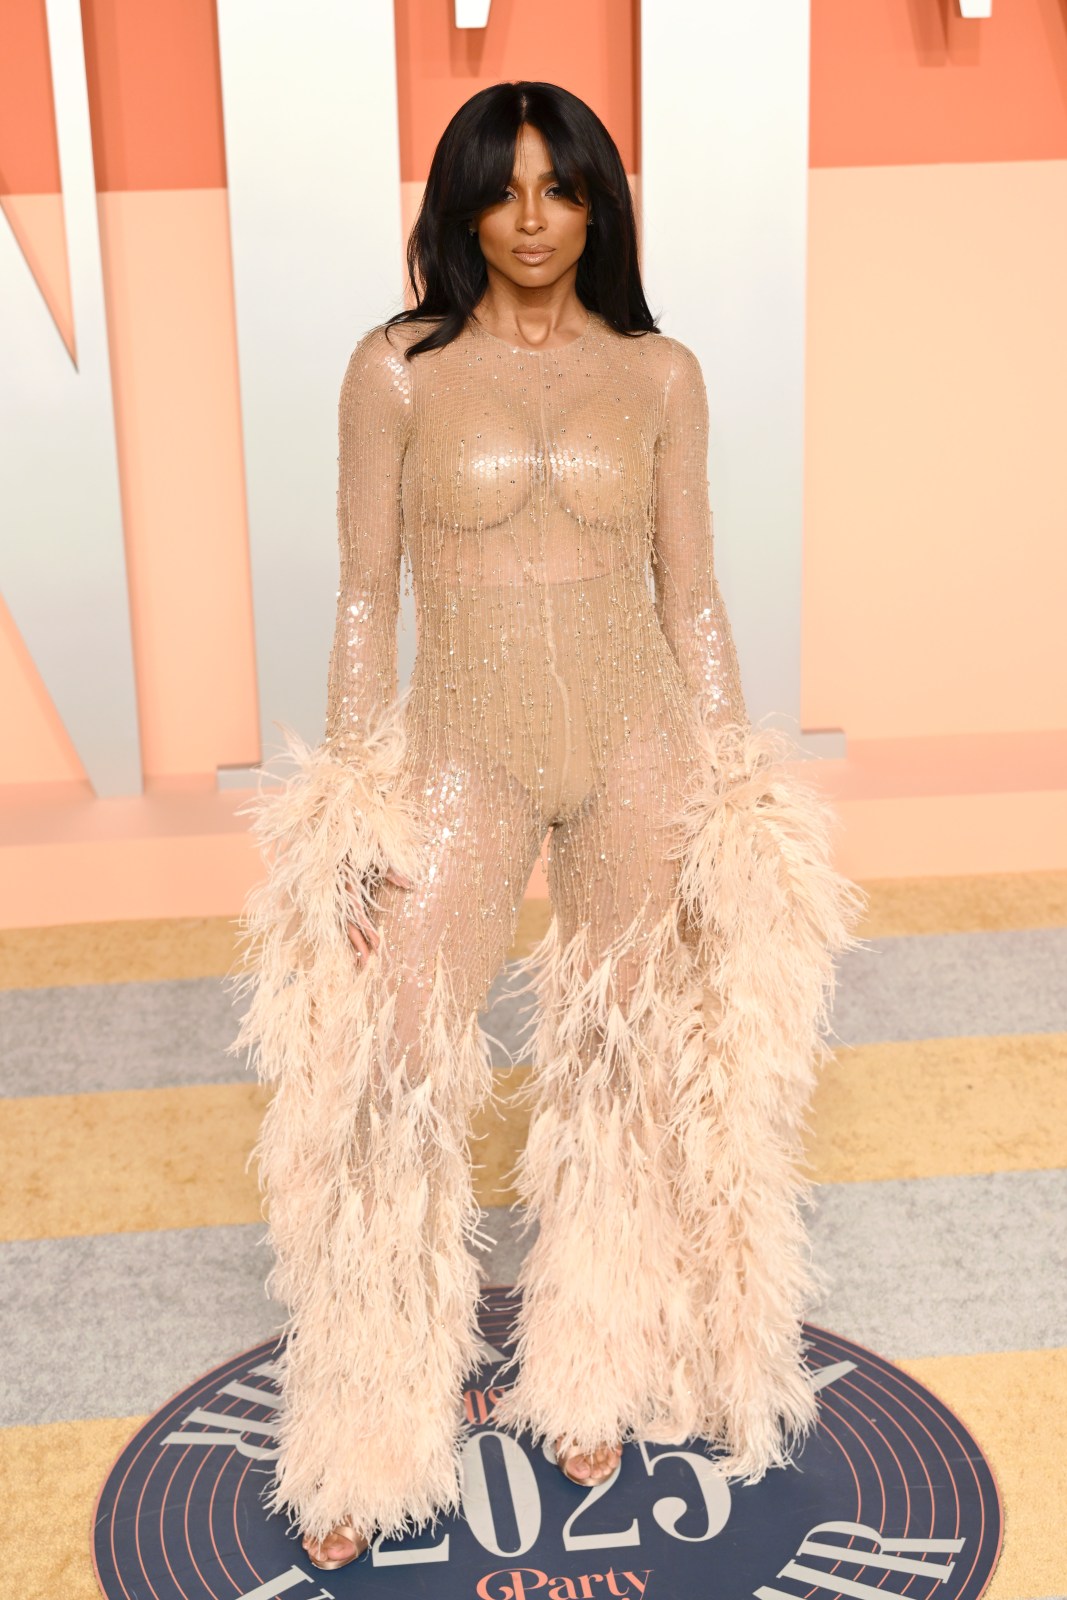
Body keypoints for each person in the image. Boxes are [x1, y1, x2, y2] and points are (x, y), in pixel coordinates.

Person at [228, 80, 865, 1574]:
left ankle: (599, 1375)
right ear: (460, 207)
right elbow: (364, 596)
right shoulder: (395, 371)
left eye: (559, 188)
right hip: (463, 748)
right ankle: (364, 1436)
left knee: (625, 1066)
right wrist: (354, 803)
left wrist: (733, 788)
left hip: (639, 740)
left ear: (598, 207)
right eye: (502, 189)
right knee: (392, 1077)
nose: (530, 219)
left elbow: (692, 594)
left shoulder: (659, 373)